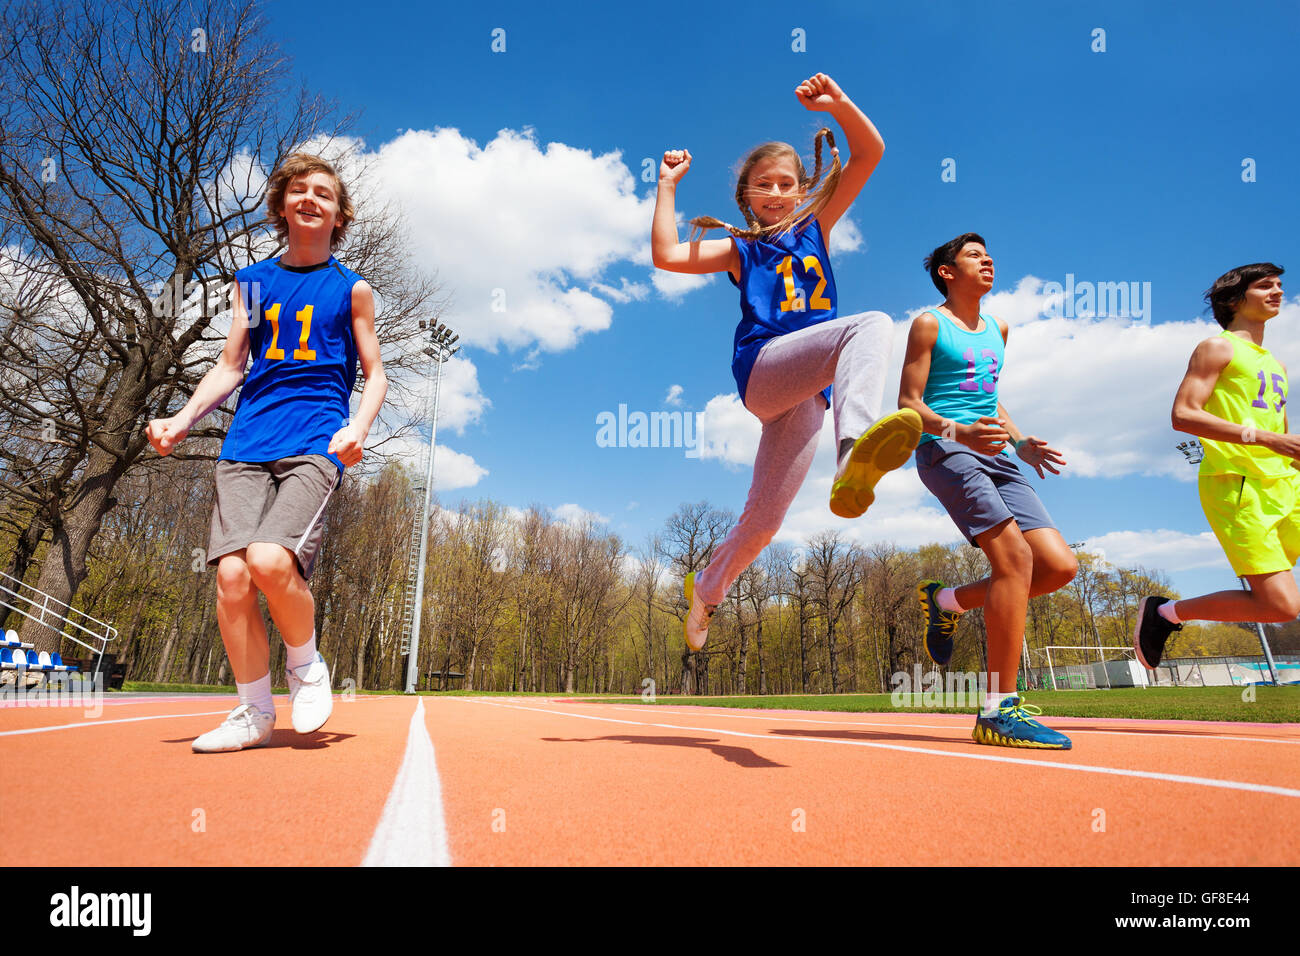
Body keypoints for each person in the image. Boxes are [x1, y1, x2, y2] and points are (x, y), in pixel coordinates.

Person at [651, 72, 921, 652]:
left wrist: (840, 104)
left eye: (786, 184)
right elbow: (668, 254)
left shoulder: (815, 228)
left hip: (807, 398)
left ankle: (706, 590)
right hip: (766, 370)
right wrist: (667, 185)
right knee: (870, 325)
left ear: (803, 191)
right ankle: (855, 450)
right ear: (745, 197)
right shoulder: (741, 248)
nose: (775, 193)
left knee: (765, 520)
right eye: (762, 186)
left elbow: (870, 151)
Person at [147, 153, 388, 752]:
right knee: (232, 575)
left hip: (315, 444)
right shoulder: (252, 283)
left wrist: (357, 427)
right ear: (282, 206)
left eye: (324, 194)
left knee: (270, 561)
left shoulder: (351, 289)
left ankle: (305, 666)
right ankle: (254, 712)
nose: (310, 198)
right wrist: (180, 419)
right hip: (246, 445)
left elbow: (375, 373)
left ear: (339, 215)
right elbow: (232, 365)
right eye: (298, 190)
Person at [899, 232, 1076, 749]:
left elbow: (991, 399)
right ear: (948, 273)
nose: (988, 260)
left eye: (989, 254)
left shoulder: (999, 327)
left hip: (997, 456)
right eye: (974, 256)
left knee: (1059, 567)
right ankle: (999, 710)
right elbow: (909, 405)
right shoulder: (930, 324)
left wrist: (1020, 442)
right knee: (1015, 561)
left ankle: (947, 601)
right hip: (945, 450)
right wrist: (959, 433)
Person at [1135, 263, 1298, 669]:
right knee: (1281, 606)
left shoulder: (1275, 364)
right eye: (1264, 286)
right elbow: (1183, 415)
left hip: (1285, 483)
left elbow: (1281, 433)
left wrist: (1286, 447)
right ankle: (1166, 614)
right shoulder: (1217, 348)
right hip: (1239, 485)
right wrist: (1270, 439)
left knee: (1281, 605)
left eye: (1279, 285)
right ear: (1233, 300)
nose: (1277, 291)